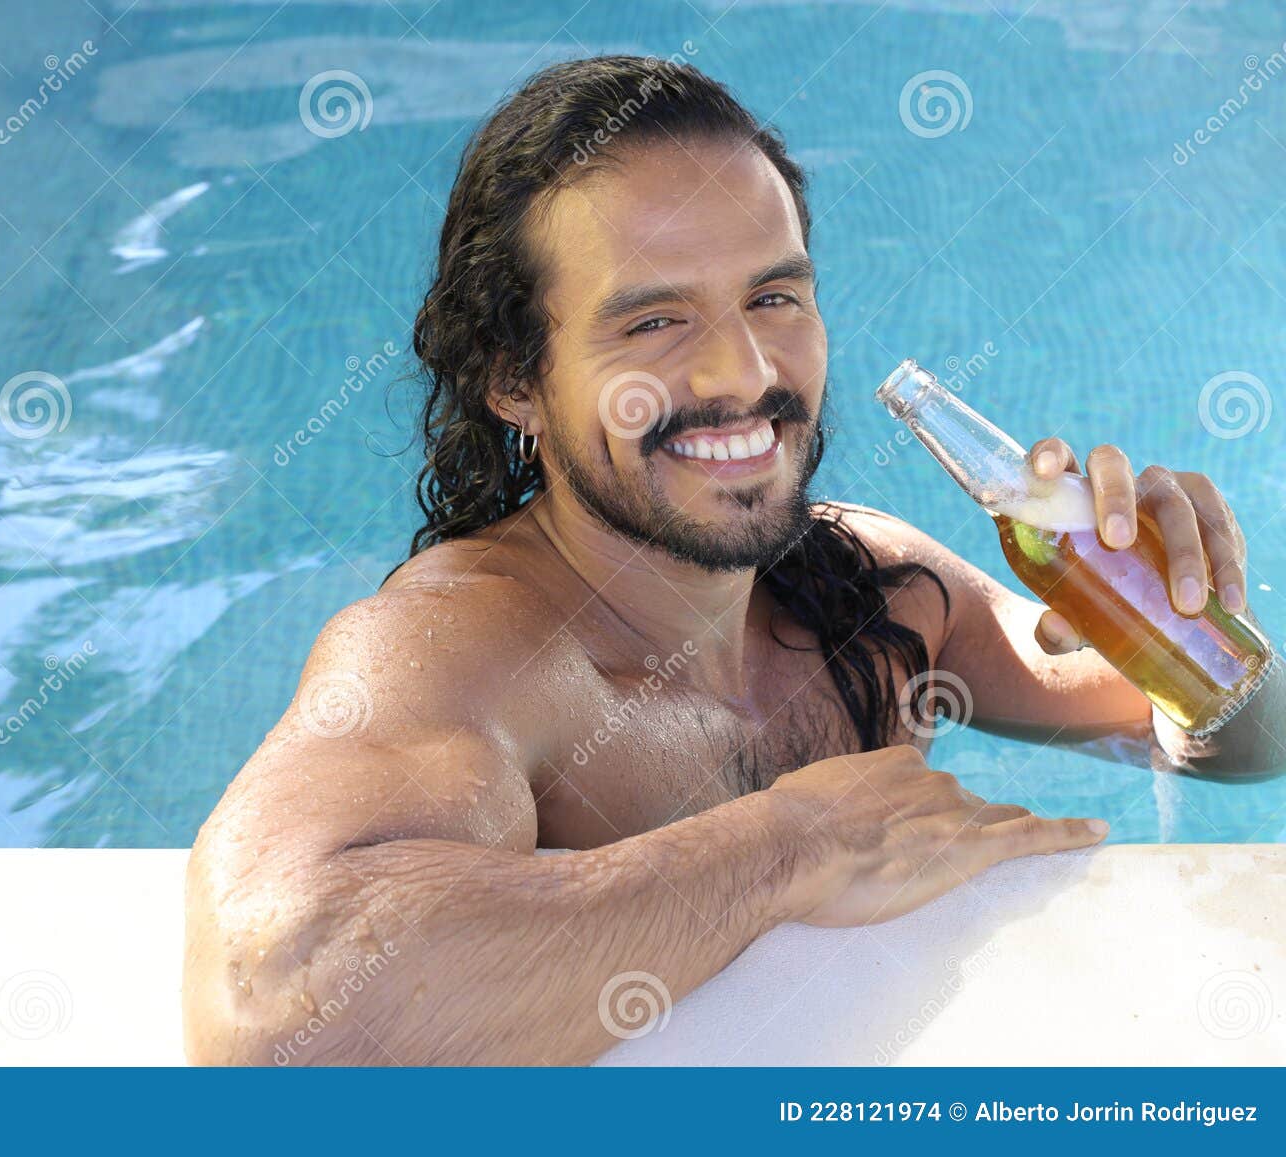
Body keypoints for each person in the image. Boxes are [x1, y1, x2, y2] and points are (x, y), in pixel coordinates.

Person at [184, 55, 1282, 1066]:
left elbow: (1236, 745)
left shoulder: (871, 591)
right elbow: (277, 999)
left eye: (772, 297)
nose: (743, 371)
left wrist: (1188, 623)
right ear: (514, 378)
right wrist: (785, 843)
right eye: (653, 321)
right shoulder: (465, 653)